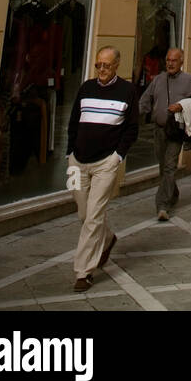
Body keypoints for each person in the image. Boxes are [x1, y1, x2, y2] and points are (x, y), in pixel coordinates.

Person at [67, 46, 139, 293]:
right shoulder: (86, 88)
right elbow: (74, 121)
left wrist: (117, 157)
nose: (101, 70)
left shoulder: (128, 91)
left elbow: (131, 129)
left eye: (106, 65)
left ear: (117, 65)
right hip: (77, 162)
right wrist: (69, 153)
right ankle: (107, 239)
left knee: (94, 215)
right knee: (83, 213)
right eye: (98, 65)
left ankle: (83, 271)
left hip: (104, 165)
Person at [138, 47, 191, 221]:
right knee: (163, 166)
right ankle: (173, 193)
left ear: (181, 61)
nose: (170, 63)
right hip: (159, 130)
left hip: (175, 131)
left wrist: (182, 106)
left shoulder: (190, 81)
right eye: (168, 60)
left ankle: (162, 205)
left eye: (174, 60)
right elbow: (145, 99)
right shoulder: (158, 79)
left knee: (169, 166)